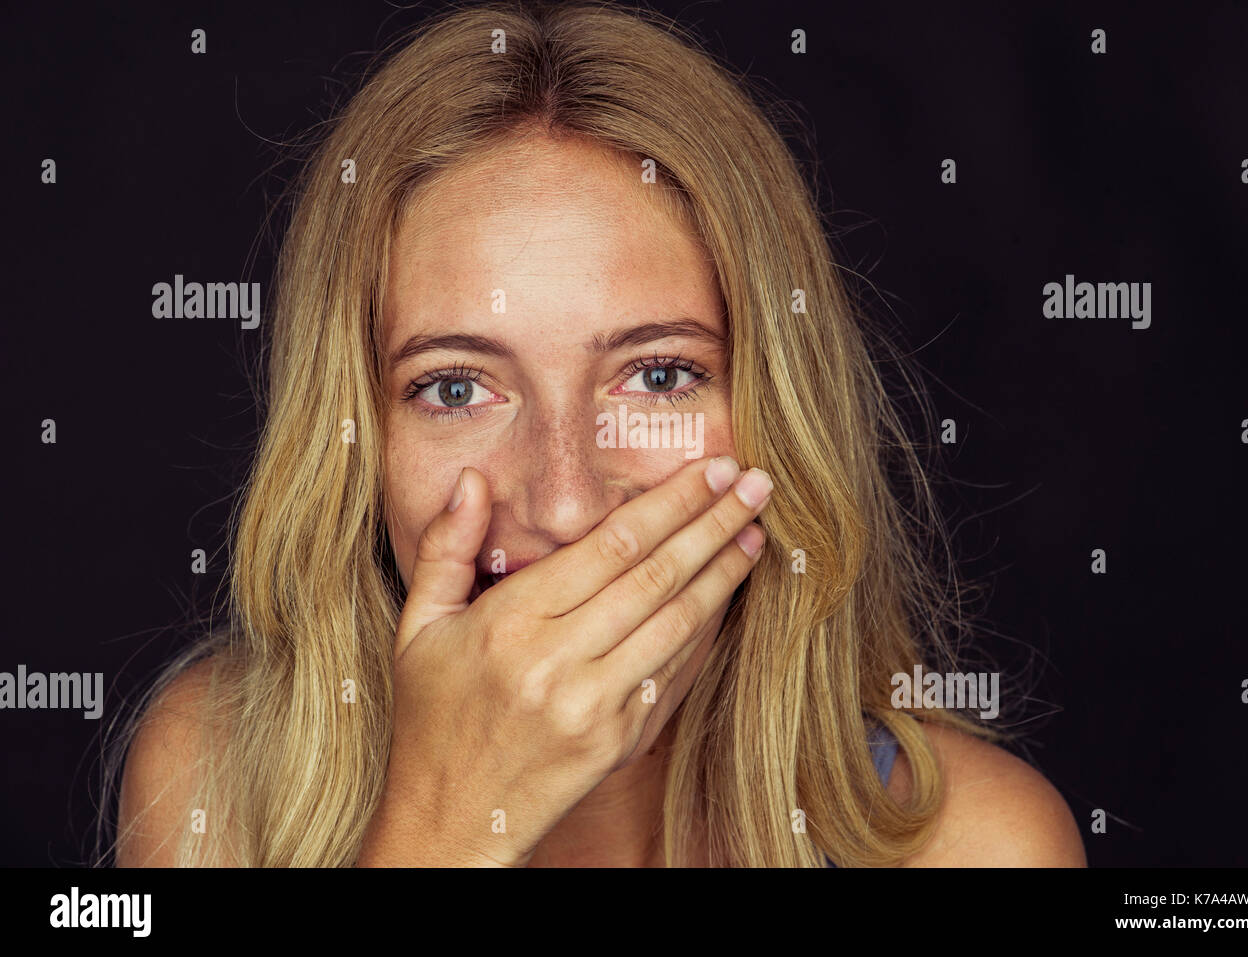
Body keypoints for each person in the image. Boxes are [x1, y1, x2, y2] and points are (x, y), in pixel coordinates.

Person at [109, 0, 1085, 867]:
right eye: (455, 387)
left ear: (774, 419)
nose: (567, 506)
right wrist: (441, 830)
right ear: (356, 440)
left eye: (658, 376)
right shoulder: (215, 776)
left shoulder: (975, 846)